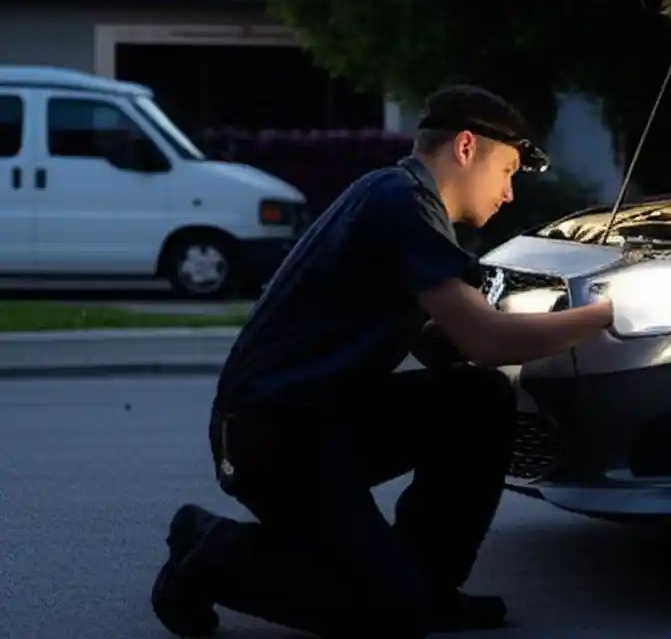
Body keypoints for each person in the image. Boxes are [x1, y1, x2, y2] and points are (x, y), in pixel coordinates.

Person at [150, 85, 615, 638]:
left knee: (478, 398)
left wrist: (500, 326)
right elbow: (487, 341)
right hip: (274, 439)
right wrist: (603, 314)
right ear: (466, 147)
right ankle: (206, 549)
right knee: (389, 615)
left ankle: (429, 587)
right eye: (508, 169)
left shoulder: (392, 194)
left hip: (320, 421)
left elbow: (440, 343)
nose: (509, 193)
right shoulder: (402, 205)